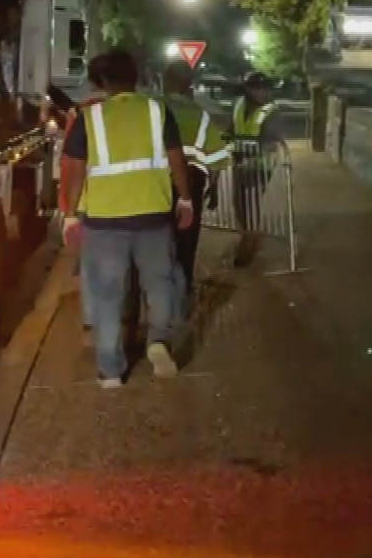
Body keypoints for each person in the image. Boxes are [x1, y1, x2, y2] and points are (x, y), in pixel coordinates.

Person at [58, 48, 197, 387]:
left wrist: (70, 215)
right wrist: (186, 199)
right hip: (153, 213)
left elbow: (74, 171)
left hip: (105, 220)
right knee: (159, 283)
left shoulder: (89, 118)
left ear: (102, 82)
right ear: (135, 78)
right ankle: (159, 342)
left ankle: (110, 372)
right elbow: (176, 158)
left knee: (107, 294)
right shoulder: (156, 111)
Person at [159, 60, 231, 301]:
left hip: (157, 184)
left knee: (157, 242)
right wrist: (215, 191)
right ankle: (183, 291)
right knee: (186, 243)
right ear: (189, 84)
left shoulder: (153, 110)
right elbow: (216, 158)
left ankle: (159, 293)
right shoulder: (199, 115)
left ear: (165, 81)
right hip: (191, 184)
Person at [228, 72, 278, 266]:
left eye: (263, 89)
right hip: (239, 163)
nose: (260, 92)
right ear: (248, 89)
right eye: (256, 88)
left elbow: (270, 140)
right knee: (238, 204)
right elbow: (231, 128)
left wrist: (251, 148)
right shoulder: (239, 105)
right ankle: (247, 235)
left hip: (258, 166)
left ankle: (249, 244)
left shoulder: (271, 111)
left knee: (250, 205)